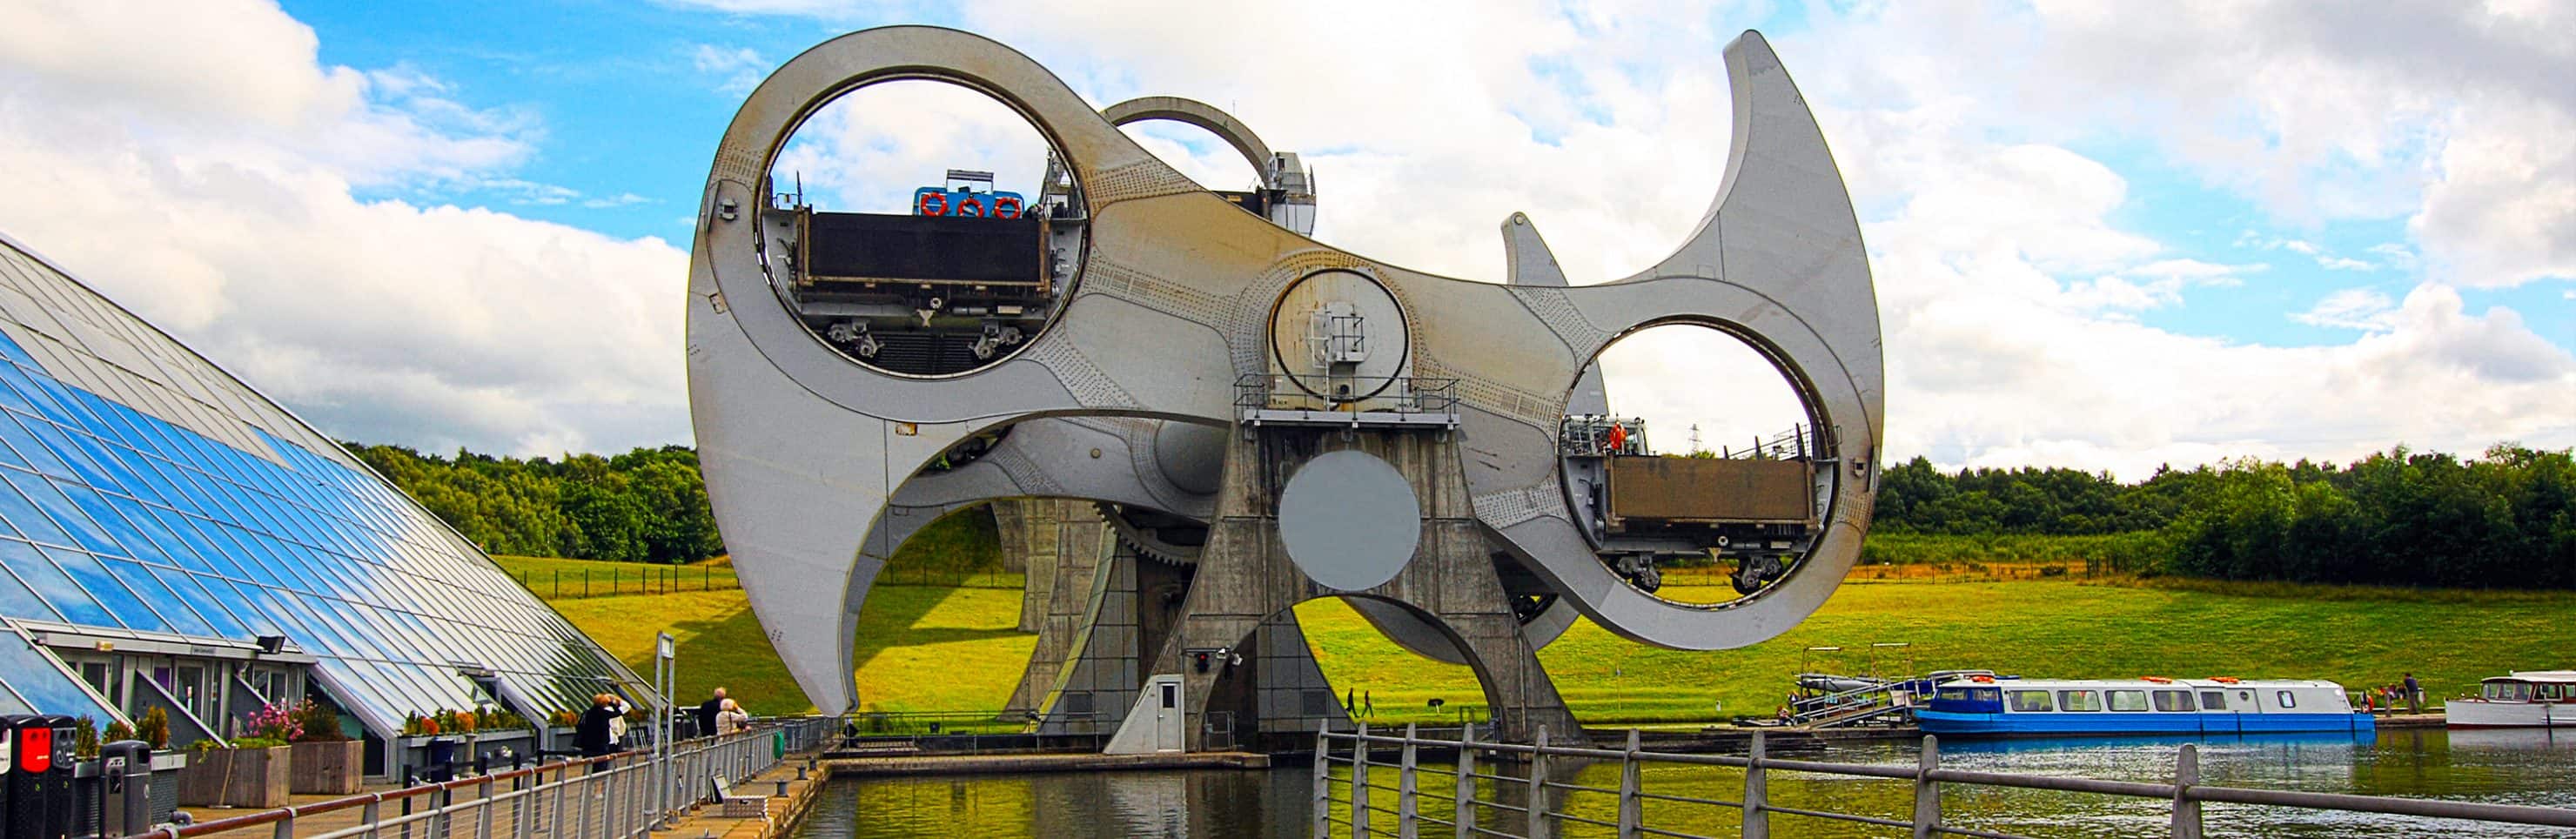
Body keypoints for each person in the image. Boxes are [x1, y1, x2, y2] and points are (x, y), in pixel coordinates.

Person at [575, 693, 621, 758]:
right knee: (601, 763)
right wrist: (611, 703)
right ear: (604, 703)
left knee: (588, 763)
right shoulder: (604, 713)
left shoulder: (586, 713)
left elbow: (579, 725)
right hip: (601, 742)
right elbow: (618, 713)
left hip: (587, 742)